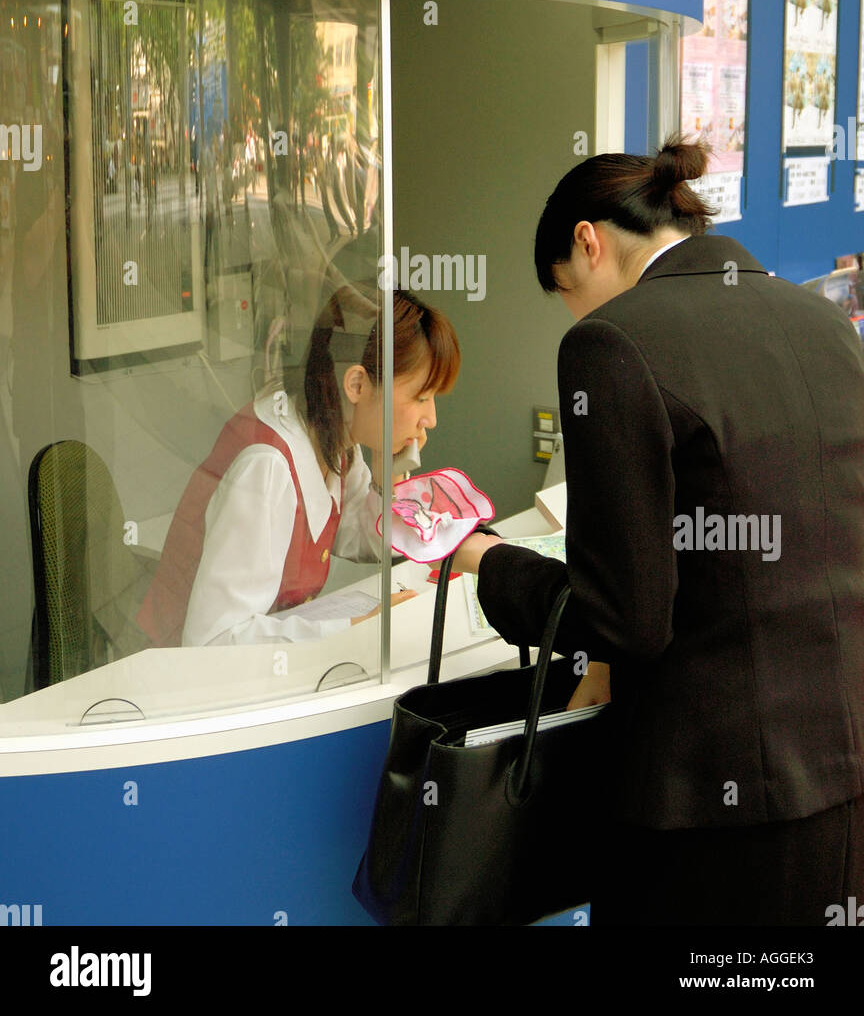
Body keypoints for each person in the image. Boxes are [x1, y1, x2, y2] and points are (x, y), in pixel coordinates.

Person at [452, 137, 864, 926]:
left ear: (587, 242)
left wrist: (487, 560)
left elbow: (624, 618)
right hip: (842, 774)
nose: (574, 311)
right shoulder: (820, 321)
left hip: (709, 810)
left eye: (567, 290)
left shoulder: (613, 343)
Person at [138, 285, 460, 647]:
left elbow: (360, 535)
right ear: (356, 384)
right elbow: (213, 640)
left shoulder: (334, 436)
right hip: (181, 679)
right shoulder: (268, 466)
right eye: (421, 397)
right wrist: (354, 629)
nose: (430, 418)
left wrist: (391, 473)